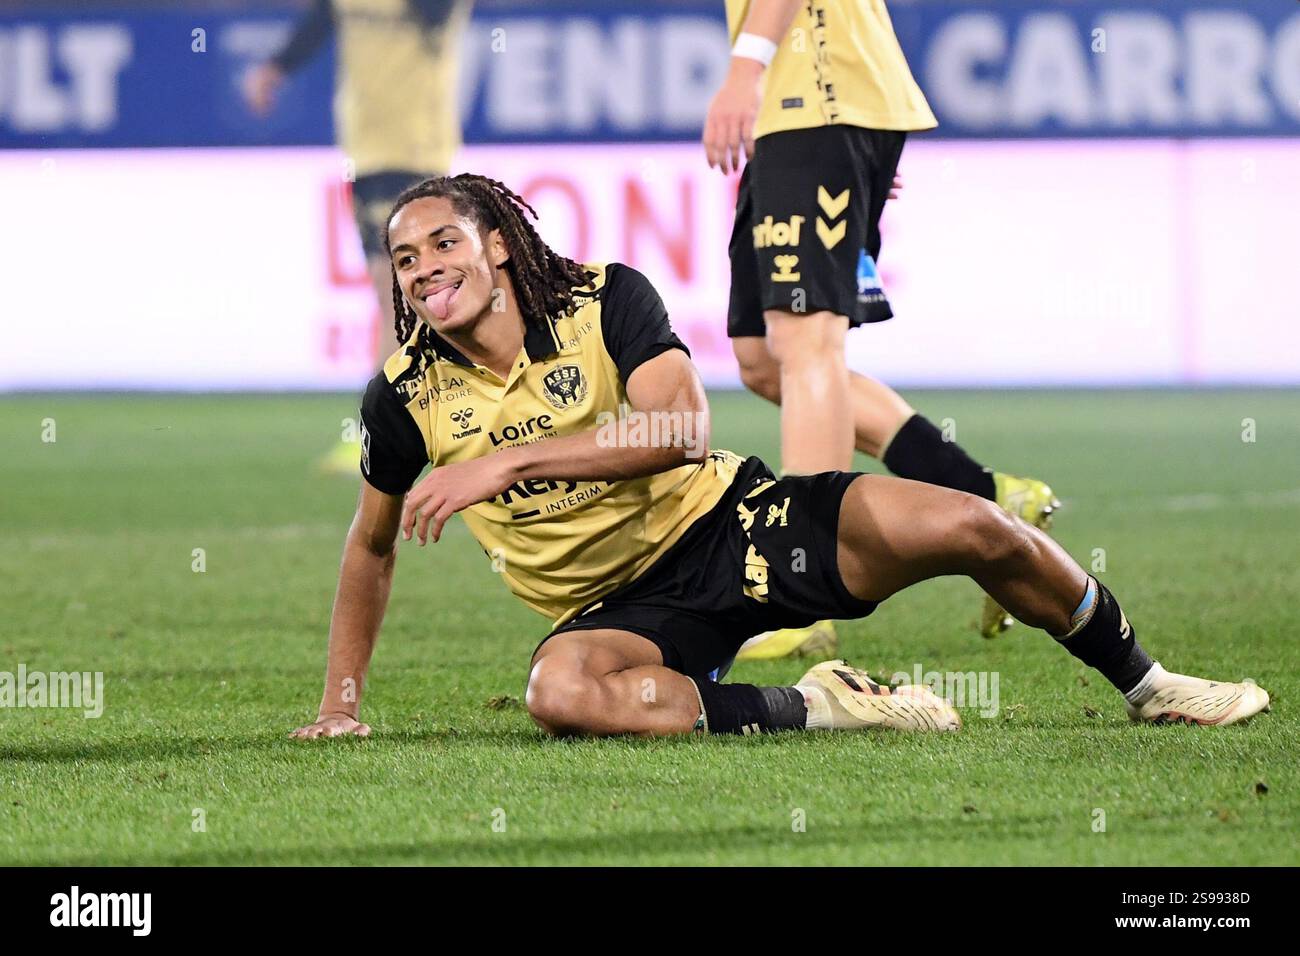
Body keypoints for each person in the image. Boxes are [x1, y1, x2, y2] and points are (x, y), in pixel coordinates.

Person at [288, 173, 1269, 741]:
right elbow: (369, 545)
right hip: (620, 613)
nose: (423, 271)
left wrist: (507, 463)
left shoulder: (601, 298)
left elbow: (680, 430)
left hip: (733, 524)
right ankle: (818, 705)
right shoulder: (405, 394)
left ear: (497, 243)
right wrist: (341, 703)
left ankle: (1151, 686)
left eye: (441, 242)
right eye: (404, 260)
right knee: (560, 692)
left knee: (972, 523)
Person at [702, 0, 1057, 658]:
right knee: (760, 357)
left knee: (807, 343)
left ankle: (799, 590)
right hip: (807, 109)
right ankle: (988, 494)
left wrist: (744, 71)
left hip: (819, 101)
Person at [243, 0, 472, 471]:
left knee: (405, 298)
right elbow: (320, 20)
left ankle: (389, 434)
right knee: (400, 300)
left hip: (419, 153)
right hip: (365, 155)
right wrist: (276, 67)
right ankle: (414, 428)